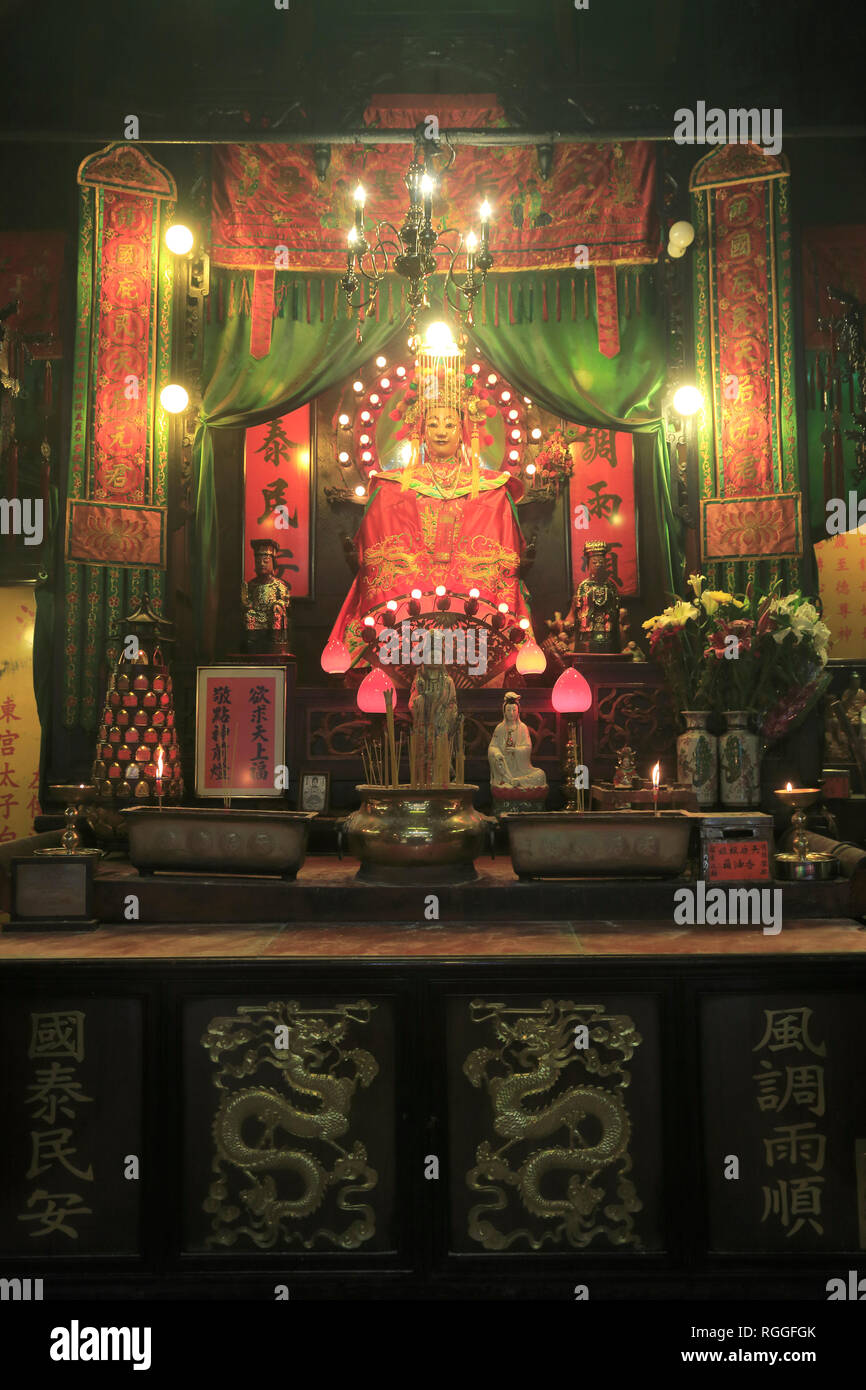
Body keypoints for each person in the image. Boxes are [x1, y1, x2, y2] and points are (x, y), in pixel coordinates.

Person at [325, 334, 530, 677]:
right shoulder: (391, 486)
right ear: (419, 428)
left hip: (473, 619)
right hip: (406, 620)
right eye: (432, 422)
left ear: (465, 430)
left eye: (450, 423)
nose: (441, 431)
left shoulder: (492, 486)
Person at [488, 692, 547, 791]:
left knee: (541, 775)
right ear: (504, 712)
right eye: (508, 710)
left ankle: (518, 781)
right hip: (505, 768)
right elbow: (492, 746)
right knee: (498, 762)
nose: (511, 713)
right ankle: (509, 780)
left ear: (518, 711)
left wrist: (516, 750)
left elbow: (528, 747)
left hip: (521, 769)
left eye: (514, 710)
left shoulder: (522, 727)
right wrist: (497, 753)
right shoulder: (500, 728)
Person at [241, 538, 291, 654]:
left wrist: (278, 604)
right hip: (257, 614)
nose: (262, 564)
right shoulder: (252, 585)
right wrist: (246, 603)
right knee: (249, 615)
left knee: (277, 613)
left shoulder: (279, 584)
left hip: (271, 615)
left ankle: (275, 639)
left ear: (273, 563)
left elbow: (285, 600)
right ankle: (252, 641)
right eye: (258, 562)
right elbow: (247, 601)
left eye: (265, 561)